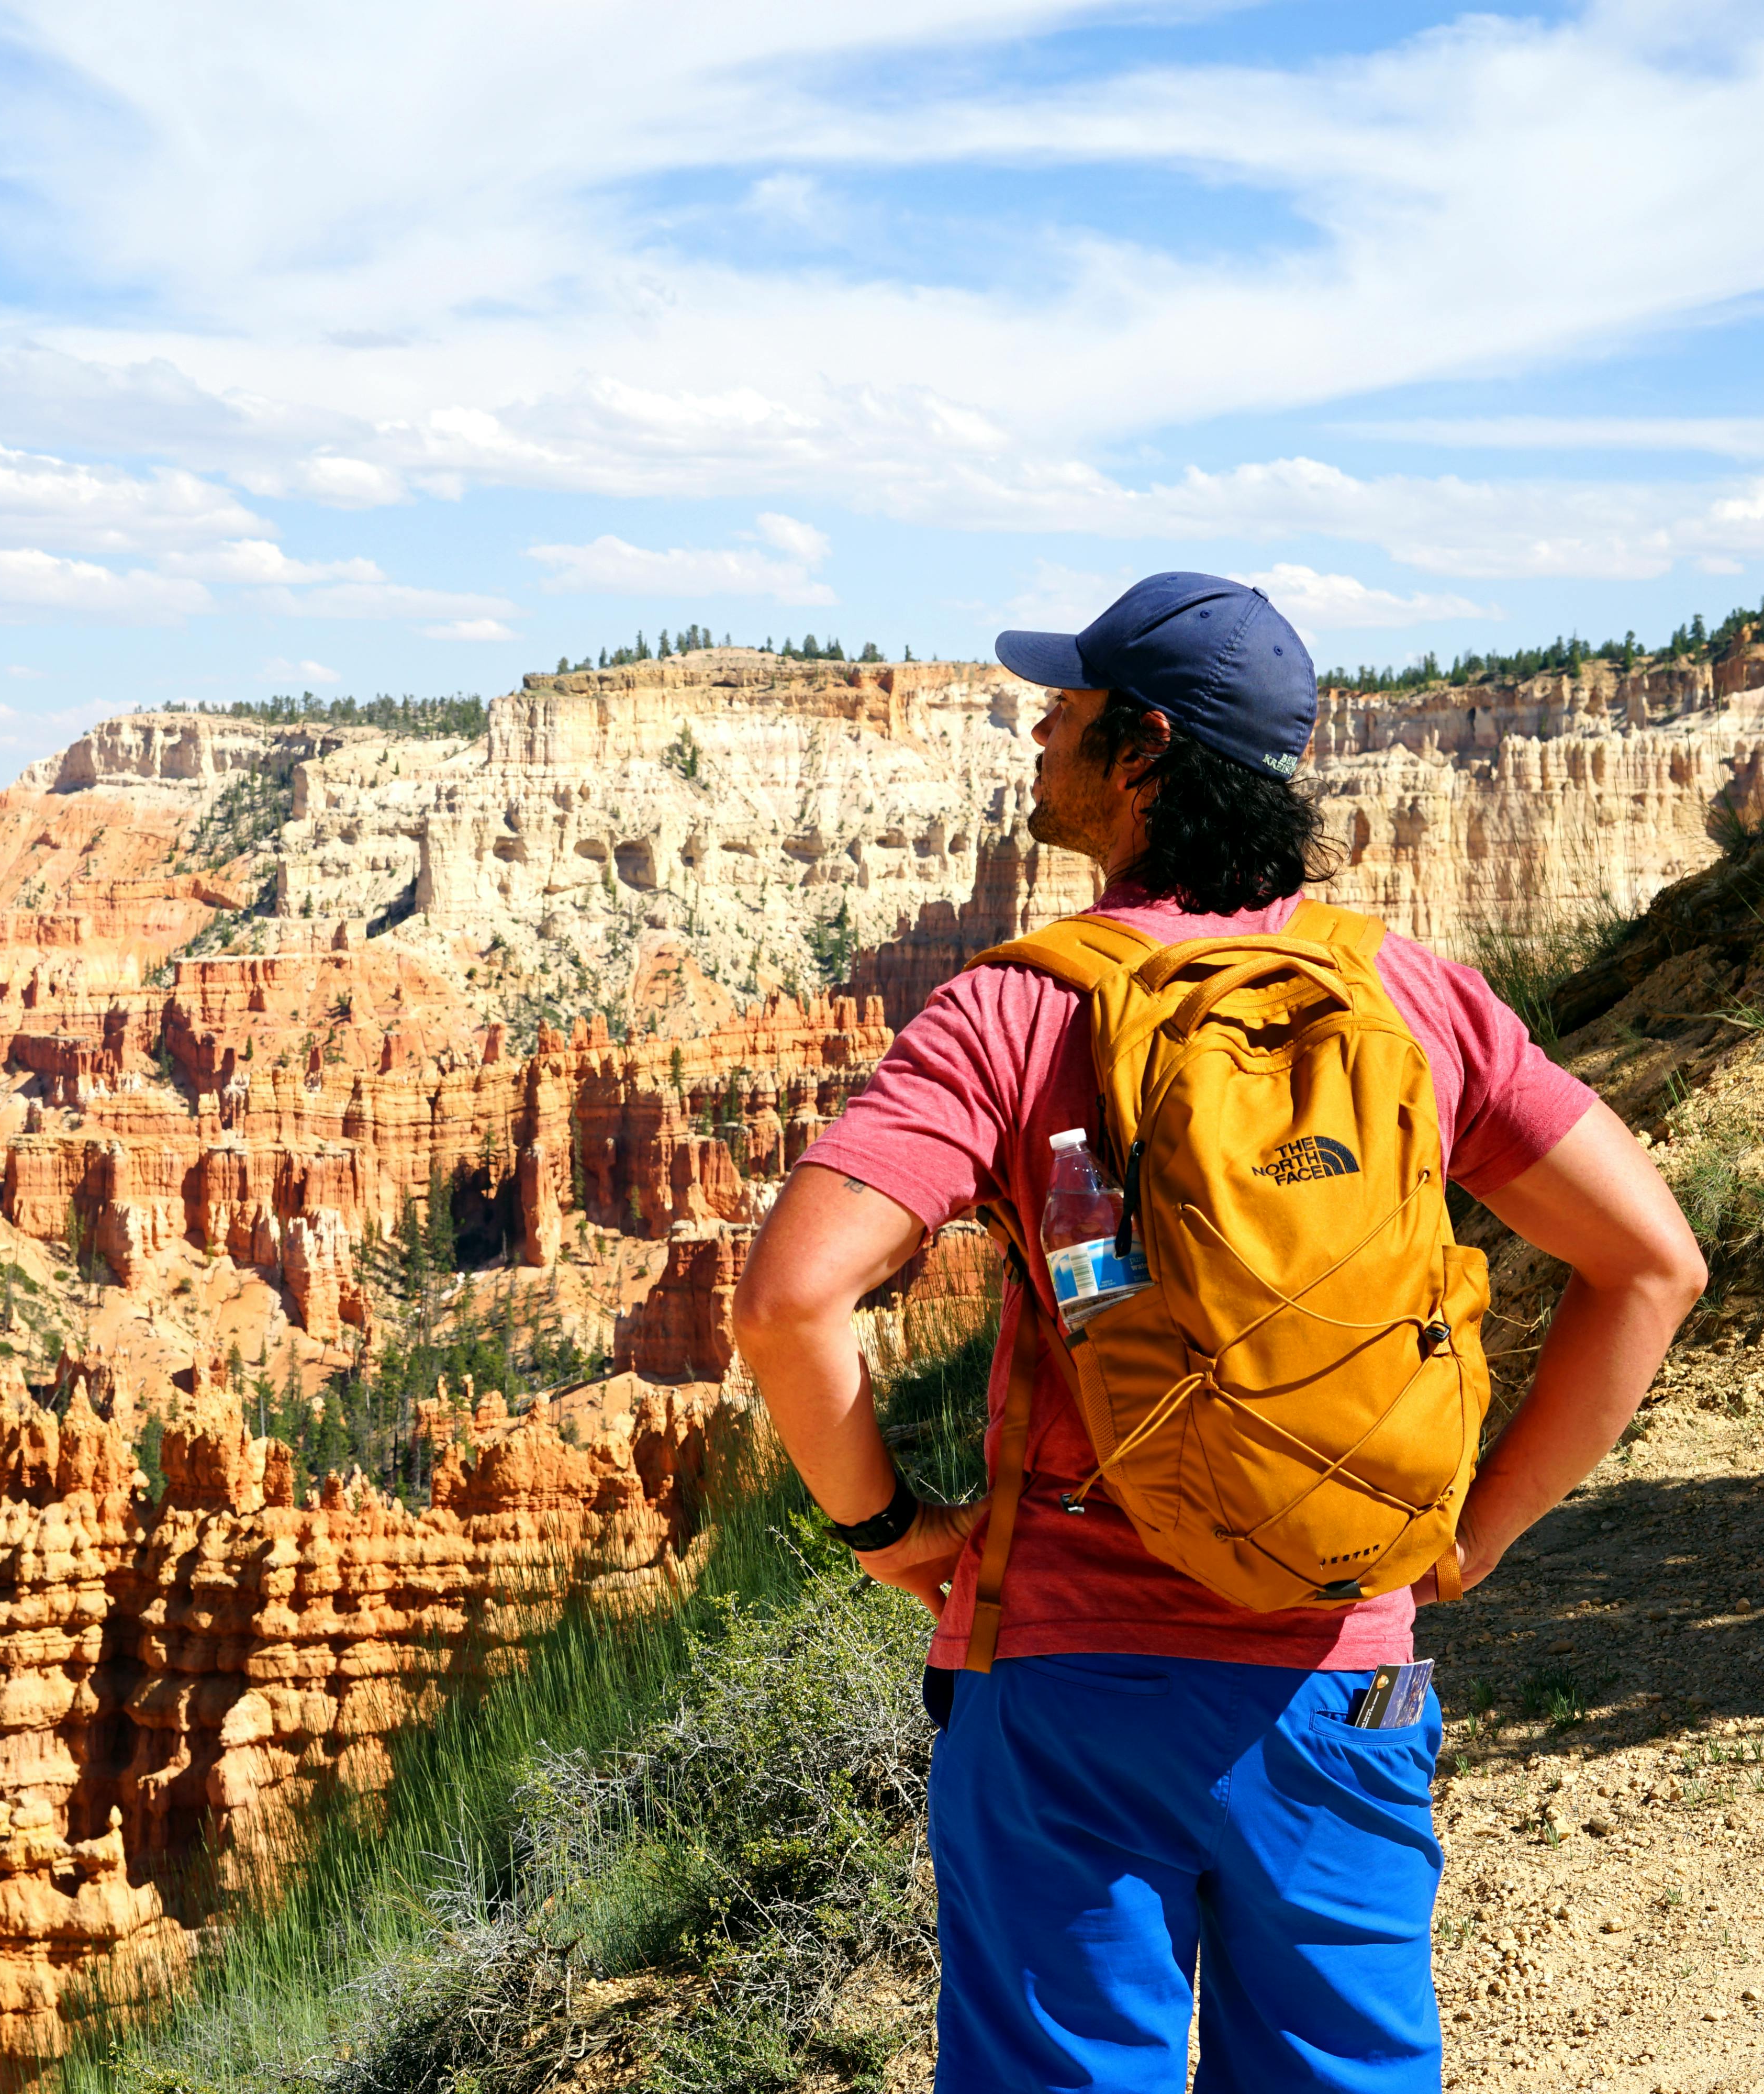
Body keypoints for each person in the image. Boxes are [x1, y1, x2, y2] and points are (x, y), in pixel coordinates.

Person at [730, 572, 1706, 2093]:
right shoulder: (1407, 999)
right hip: (1342, 1676)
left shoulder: (1014, 1016)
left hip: (1063, 1683)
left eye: (1069, 707)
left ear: (1144, 752)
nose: (1042, 730)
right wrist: (1476, 1532)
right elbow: (1654, 1266)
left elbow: (791, 1300)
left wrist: (880, 1528)